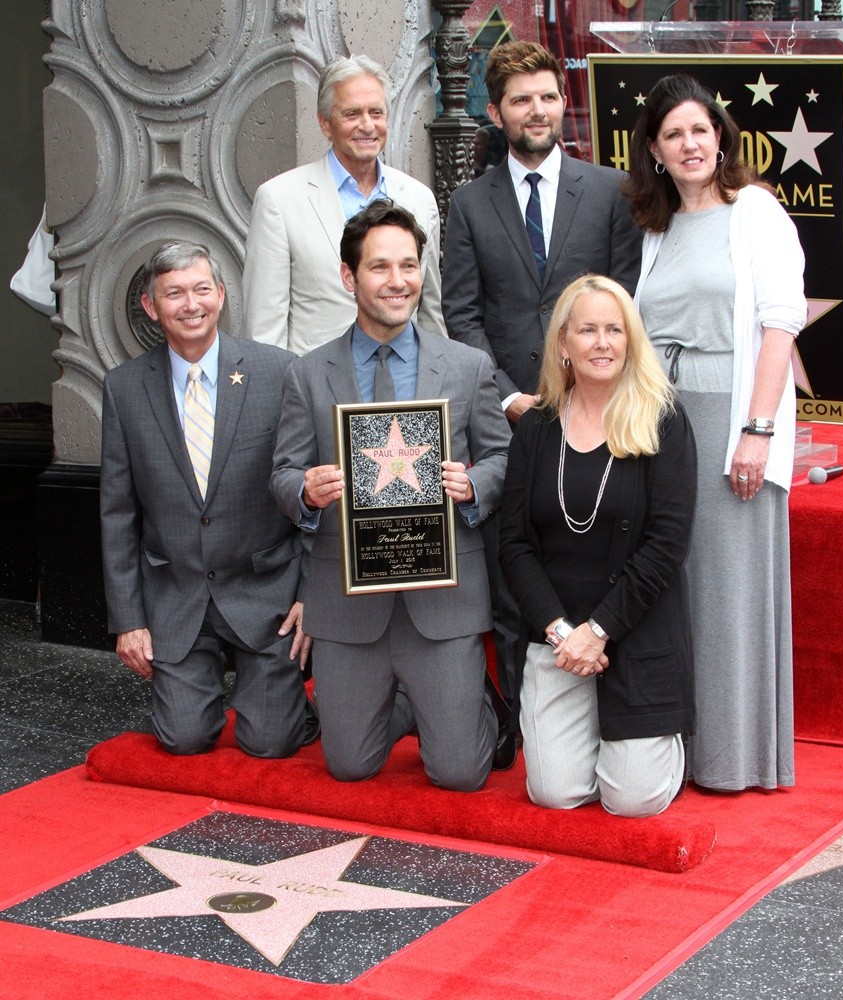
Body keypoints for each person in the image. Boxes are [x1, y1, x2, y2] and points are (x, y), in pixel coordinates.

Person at [270, 201, 510, 791]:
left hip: (443, 595)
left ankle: (470, 707)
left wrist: (474, 484)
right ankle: (407, 705)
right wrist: (305, 490)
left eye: (409, 265)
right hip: (348, 600)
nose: (397, 281)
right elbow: (281, 472)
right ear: (350, 277)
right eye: (380, 267)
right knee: (350, 766)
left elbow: (506, 457)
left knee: (459, 775)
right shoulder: (308, 373)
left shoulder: (467, 366)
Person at [442, 40, 642, 713]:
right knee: (512, 569)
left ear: (564, 104)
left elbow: (622, 305)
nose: (538, 110)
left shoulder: (611, 190)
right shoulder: (469, 204)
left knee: (593, 554)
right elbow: (462, 312)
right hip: (509, 418)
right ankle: (519, 726)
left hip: (596, 411)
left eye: (548, 97)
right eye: (522, 100)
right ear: (496, 113)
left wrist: (587, 387)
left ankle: (606, 703)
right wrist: (507, 396)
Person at [625, 73, 807, 790]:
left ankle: (733, 760)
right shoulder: (656, 226)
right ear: (655, 151)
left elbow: (778, 325)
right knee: (678, 585)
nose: (689, 143)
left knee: (728, 593)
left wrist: (756, 432)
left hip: (730, 415)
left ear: (722, 135)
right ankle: (680, 748)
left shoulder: (754, 212)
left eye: (700, 129)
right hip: (663, 423)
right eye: (673, 134)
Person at [100, 241, 313, 758]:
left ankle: (310, 702)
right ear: (152, 307)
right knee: (184, 738)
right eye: (174, 293)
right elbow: (118, 512)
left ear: (221, 294)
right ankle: (203, 694)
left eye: (201, 289)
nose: (190, 304)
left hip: (267, 594)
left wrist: (313, 594)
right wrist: (128, 621)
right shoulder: (124, 388)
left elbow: (308, 493)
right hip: (177, 596)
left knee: (270, 742)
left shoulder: (279, 372)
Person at [499, 275, 696, 817]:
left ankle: (663, 747)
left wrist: (600, 631)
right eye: (588, 330)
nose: (602, 342)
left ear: (631, 340)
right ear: (564, 344)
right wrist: (565, 634)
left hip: (635, 632)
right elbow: (514, 544)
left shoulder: (663, 420)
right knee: (555, 793)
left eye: (615, 329)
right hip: (558, 639)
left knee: (633, 800)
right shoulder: (536, 429)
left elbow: (666, 547)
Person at [242, 54, 445, 354]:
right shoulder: (279, 200)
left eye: (376, 112)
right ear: (325, 123)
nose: (367, 125)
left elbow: (430, 315)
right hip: (317, 390)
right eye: (352, 114)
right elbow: (264, 331)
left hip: (404, 393)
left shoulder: (419, 199)